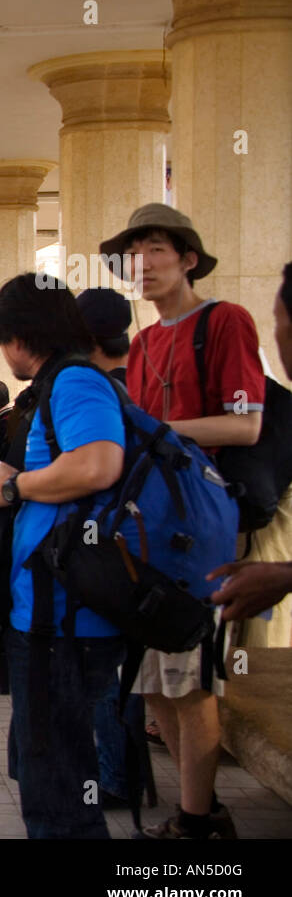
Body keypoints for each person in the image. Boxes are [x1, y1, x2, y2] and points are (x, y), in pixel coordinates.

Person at [101, 203, 263, 839]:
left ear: (188, 258)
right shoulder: (143, 344)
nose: (142, 266)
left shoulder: (225, 323)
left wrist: (160, 432)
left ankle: (201, 823)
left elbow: (245, 423)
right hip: (150, 527)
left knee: (190, 678)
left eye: (156, 251)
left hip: (203, 526)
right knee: (153, 680)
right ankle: (191, 812)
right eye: (132, 255)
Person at [0, 273, 126, 839]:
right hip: (46, 616)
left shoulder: (74, 382)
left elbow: (97, 465)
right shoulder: (57, 385)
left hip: (65, 619)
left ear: (19, 336)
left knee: (58, 797)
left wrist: (15, 488)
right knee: (46, 771)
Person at [74, 286, 150, 811]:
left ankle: (115, 777)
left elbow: (89, 473)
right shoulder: (149, 389)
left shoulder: (92, 394)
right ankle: (133, 772)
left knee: (102, 673)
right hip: (156, 553)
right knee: (139, 670)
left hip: (107, 551)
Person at [207, 262, 292, 623]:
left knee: (255, 654)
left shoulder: (267, 405)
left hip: (260, 565)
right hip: (265, 569)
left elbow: (257, 501)